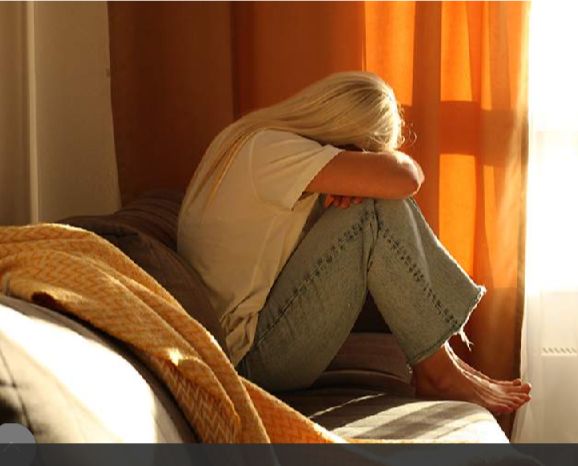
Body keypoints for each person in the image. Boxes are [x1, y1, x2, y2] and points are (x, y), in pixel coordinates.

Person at [178, 71, 531, 414]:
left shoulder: (253, 142)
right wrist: (375, 170)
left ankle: (443, 361)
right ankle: (439, 373)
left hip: (246, 346)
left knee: (370, 202)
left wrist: (350, 185)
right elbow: (406, 178)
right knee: (375, 209)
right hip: (248, 362)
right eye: (368, 152)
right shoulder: (272, 151)